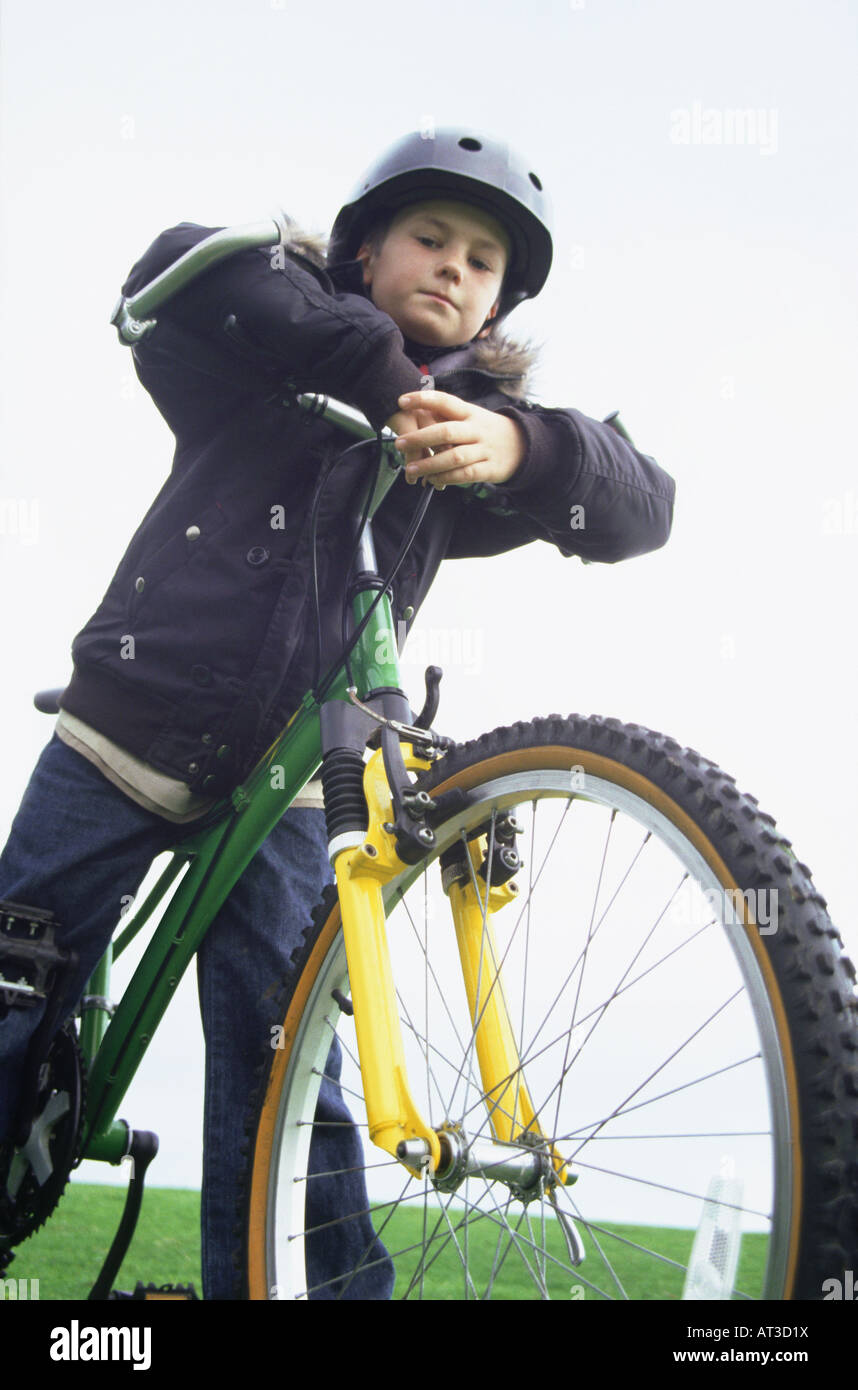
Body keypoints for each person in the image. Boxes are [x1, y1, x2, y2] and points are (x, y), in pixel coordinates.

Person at [0, 128, 675, 1298]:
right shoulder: (268, 345)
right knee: (12, 988)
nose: (457, 268)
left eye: (485, 261)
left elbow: (639, 500)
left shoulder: (466, 441)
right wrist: (383, 373)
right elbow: (183, 266)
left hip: (296, 790)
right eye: (430, 238)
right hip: (127, 737)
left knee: (288, 1064)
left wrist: (520, 442)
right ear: (362, 249)